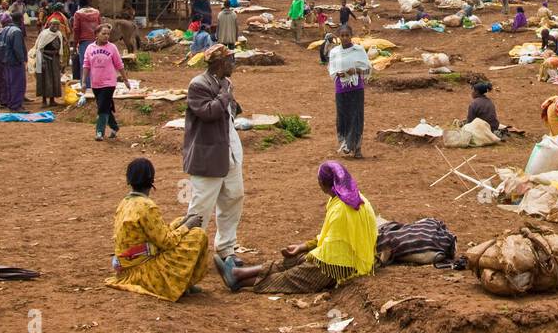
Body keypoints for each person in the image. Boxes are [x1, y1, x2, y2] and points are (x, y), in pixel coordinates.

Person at [217, 161, 377, 294]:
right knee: (293, 259)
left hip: (341, 267)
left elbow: (333, 250)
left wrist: (308, 255)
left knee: (292, 276)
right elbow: (329, 239)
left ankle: (240, 281)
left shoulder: (340, 209)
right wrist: (303, 247)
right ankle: (238, 274)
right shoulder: (356, 198)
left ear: (324, 184)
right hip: (341, 256)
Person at [105, 158, 209, 301]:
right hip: (144, 270)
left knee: (180, 221)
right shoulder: (147, 206)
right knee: (198, 234)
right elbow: (166, 242)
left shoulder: (125, 203)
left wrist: (182, 222)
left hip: (128, 267)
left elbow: (156, 234)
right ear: (152, 180)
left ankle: (184, 284)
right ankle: (182, 284)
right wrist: (188, 225)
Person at [182, 44, 245, 267]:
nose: (234, 65)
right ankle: (188, 253)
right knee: (200, 208)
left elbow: (229, 112)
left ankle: (226, 249)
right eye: (231, 61)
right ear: (219, 63)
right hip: (208, 154)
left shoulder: (225, 83)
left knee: (233, 199)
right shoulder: (198, 85)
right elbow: (208, 112)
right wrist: (225, 97)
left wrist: (230, 100)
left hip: (229, 151)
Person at [328, 25, 371, 158]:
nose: (345, 38)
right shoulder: (334, 52)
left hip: (356, 87)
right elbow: (332, 69)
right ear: (338, 36)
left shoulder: (358, 50)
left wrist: (356, 70)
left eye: (347, 35)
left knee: (356, 116)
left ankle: (357, 148)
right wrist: (338, 74)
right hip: (341, 87)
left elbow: (367, 68)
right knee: (343, 117)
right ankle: (346, 144)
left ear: (351, 35)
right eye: (342, 35)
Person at [82, 23, 125, 140]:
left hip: (109, 82)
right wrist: (84, 82)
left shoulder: (112, 48)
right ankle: (114, 127)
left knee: (102, 107)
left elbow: (119, 65)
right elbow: (86, 65)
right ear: (96, 35)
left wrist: (125, 80)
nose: (106, 36)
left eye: (108, 34)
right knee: (104, 106)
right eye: (103, 33)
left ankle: (99, 132)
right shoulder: (90, 48)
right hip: (95, 83)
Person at [0, 12, 28, 112]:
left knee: (9, 83)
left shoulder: (3, 30)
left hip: (5, 61)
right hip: (15, 62)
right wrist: (22, 60)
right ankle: (16, 106)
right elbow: (17, 49)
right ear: (21, 20)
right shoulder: (16, 31)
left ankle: (11, 104)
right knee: (17, 84)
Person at [34, 13, 65, 107]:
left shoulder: (59, 34)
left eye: (57, 25)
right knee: (44, 79)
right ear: (49, 25)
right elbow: (39, 48)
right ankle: (44, 101)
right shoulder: (44, 34)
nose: (55, 26)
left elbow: (60, 49)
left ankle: (52, 100)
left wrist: (60, 61)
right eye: (53, 24)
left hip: (54, 59)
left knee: (54, 79)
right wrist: (41, 62)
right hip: (44, 59)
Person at [70, 0, 101, 80]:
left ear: (80, 4)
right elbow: (100, 27)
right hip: (96, 41)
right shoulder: (96, 12)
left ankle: (87, 86)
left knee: (85, 64)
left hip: (84, 42)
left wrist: (74, 46)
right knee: (97, 63)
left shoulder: (78, 14)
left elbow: (76, 30)